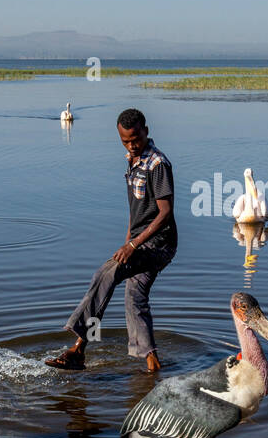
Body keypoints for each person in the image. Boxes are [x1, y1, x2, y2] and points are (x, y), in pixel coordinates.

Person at [46, 108, 177, 373]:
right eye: (125, 141)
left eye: (136, 139)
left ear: (146, 131)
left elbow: (165, 213)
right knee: (134, 298)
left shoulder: (157, 164)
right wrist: (128, 240)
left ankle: (79, 346)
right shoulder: (132, 160)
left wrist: (132, 245)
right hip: (139, 243)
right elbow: (136, 211)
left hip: (159, 245)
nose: (131, 145)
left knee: (106, 274)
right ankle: (153, 365)